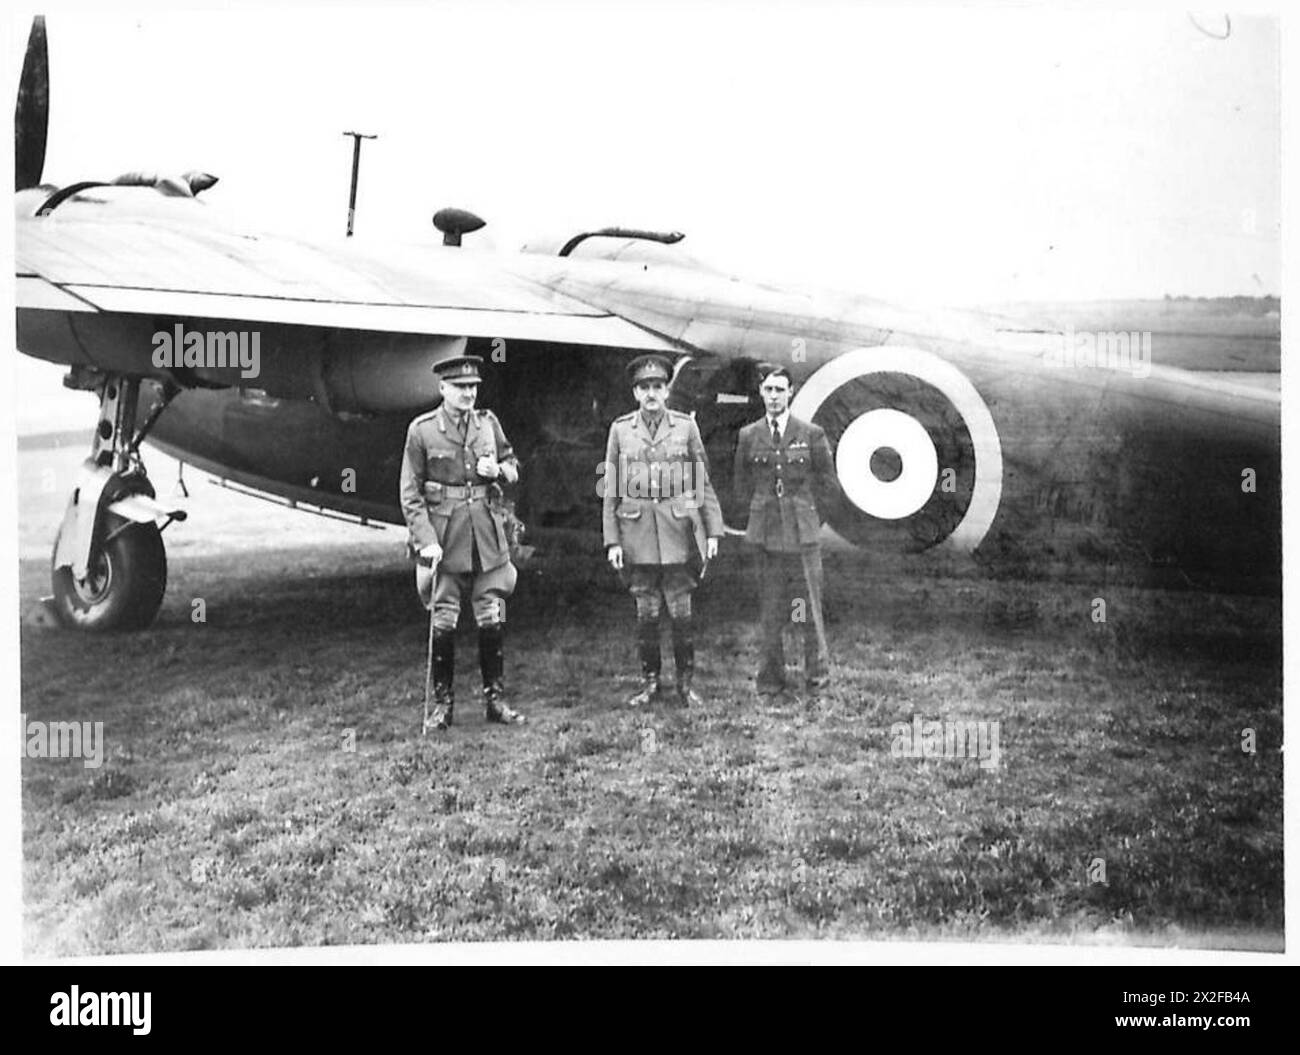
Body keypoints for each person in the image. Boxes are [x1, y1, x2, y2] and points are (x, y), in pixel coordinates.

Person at [400, 354, 525, 730]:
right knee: (444, 617)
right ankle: (443, 705)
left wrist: (499, 471)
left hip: (485, 533)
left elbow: (513, 466)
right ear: (443, 389)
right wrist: (425, 540)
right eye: (460, 387)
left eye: (473, 387)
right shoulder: (422, 430)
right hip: (444, 536)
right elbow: (410, 492)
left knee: (492, 613)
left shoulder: (488, 423)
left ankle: (495, 700)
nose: (468, 394)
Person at [602, 354, 723, 706]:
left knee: (682, 610)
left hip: (677, 529)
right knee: (647, 612)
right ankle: (651, 682)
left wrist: (713, 530)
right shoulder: (621, 429)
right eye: (645, 387)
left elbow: (703, 482)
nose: (652, 393)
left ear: (667, 390)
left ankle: (686, 684)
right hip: (636, 530)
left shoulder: (685, 427)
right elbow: (610, 488)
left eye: (658, 386)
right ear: (635, 392)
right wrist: (612, 540)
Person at [732, 364, 838, 696]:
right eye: (769, 389)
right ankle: (770, 681)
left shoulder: (811, 434)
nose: (774, 396)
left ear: (791, 391)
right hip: (766, 536)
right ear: (760, 393)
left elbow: (829, 486)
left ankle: (817, 680)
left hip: (803, 535)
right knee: (771, 609)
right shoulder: (748, 436)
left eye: (780, 389)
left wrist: (808, 514)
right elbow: (740, 486)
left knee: (809, 610)